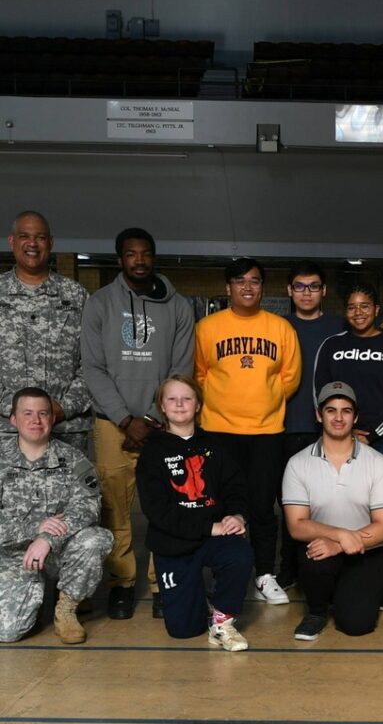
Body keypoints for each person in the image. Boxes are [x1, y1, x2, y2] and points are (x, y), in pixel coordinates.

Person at [80, 226, 196, 621]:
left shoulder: (178, 307)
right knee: (115, 509)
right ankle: (122, 584)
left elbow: (181, 368)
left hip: (161, 426)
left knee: (164, 506)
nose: (139, 260)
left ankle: (164, 581)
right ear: (120, 260)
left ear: (154, 257)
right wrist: (125, 419)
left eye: (145, 253)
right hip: (112, 424)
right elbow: (92, 368)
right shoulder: (99, 304)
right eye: (131, 254)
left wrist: (150, 418)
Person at [193, 257, 300, 605]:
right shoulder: (207, 327)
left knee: (262, 507)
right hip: (218, 431)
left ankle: (265, 574)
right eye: (240, 281)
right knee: (218, 506)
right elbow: (199, 375)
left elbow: (290, 377)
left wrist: (263, 402)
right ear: (228, 289)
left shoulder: (280, 328)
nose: (247, 287)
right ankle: (225, 573)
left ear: (262, 287)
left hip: (266, 431)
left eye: (254, 281)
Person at [135, 375, 253, 651]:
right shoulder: (152, 451)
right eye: (172, 399)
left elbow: (237, 487)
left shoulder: (215, 445)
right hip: (173, 542)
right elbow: (156, 510)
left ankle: (221, 621)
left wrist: (236, 515)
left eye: (187, 398)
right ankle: (195, 599)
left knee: (238, 553)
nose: (179, 404)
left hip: (215, 536)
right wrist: (207, 527)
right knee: (183, 631)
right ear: (162, 407)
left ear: (198, 405)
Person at [282, 382, 383, 640]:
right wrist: (340, 535)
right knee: (314, 555)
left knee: (357, 625)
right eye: (331, 410)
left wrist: (340, 543)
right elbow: (297, 525)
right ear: (318, 415)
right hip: (320, 552)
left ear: (355, 417)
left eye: (346, 411)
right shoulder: (298, 463)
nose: (338, 417)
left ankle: (370, 589)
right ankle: (317, 611)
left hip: (366, 550)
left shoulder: (377, 463)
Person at [0, 387, 112, 644]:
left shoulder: (73, 458)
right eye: (27, 413)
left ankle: (67, 609)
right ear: (13, 420)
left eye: (43, 413)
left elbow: (89, 506)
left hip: (57, 551)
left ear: (52, 418)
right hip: (13, 555)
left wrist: (47, 537)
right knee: (8, 632)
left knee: (96, 539)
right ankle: (32, 598)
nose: (35, 421)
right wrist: (34, 528)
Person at [279, 260, 348, 590]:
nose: (307, 293)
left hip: (328, 429)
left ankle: (323, 566)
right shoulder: (277, 326)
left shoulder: (339, 327)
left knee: (327, 502)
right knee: (290, 504)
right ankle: (288, 568)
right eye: (300, 287)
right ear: (289, 291)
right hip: (284, 427)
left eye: (314, 286)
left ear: (324, 291)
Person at [0, 211, 91, 451]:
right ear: (12, 241)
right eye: (24, 236)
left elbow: (93, 362)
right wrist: (17, 410)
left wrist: (63, 407)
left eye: (40, 237)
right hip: (6, 431)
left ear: (50, 243)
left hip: (66, 431)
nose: (32, 243)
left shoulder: (76, 296)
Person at [313, 282, 383, 462]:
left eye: (365, 306)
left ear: (376, 309)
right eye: (352, 307)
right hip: (339, 436)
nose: (358, 312)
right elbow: (319, 392)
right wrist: (342, 430)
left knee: (382, 490)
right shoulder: (331, 345)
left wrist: (373, 434)